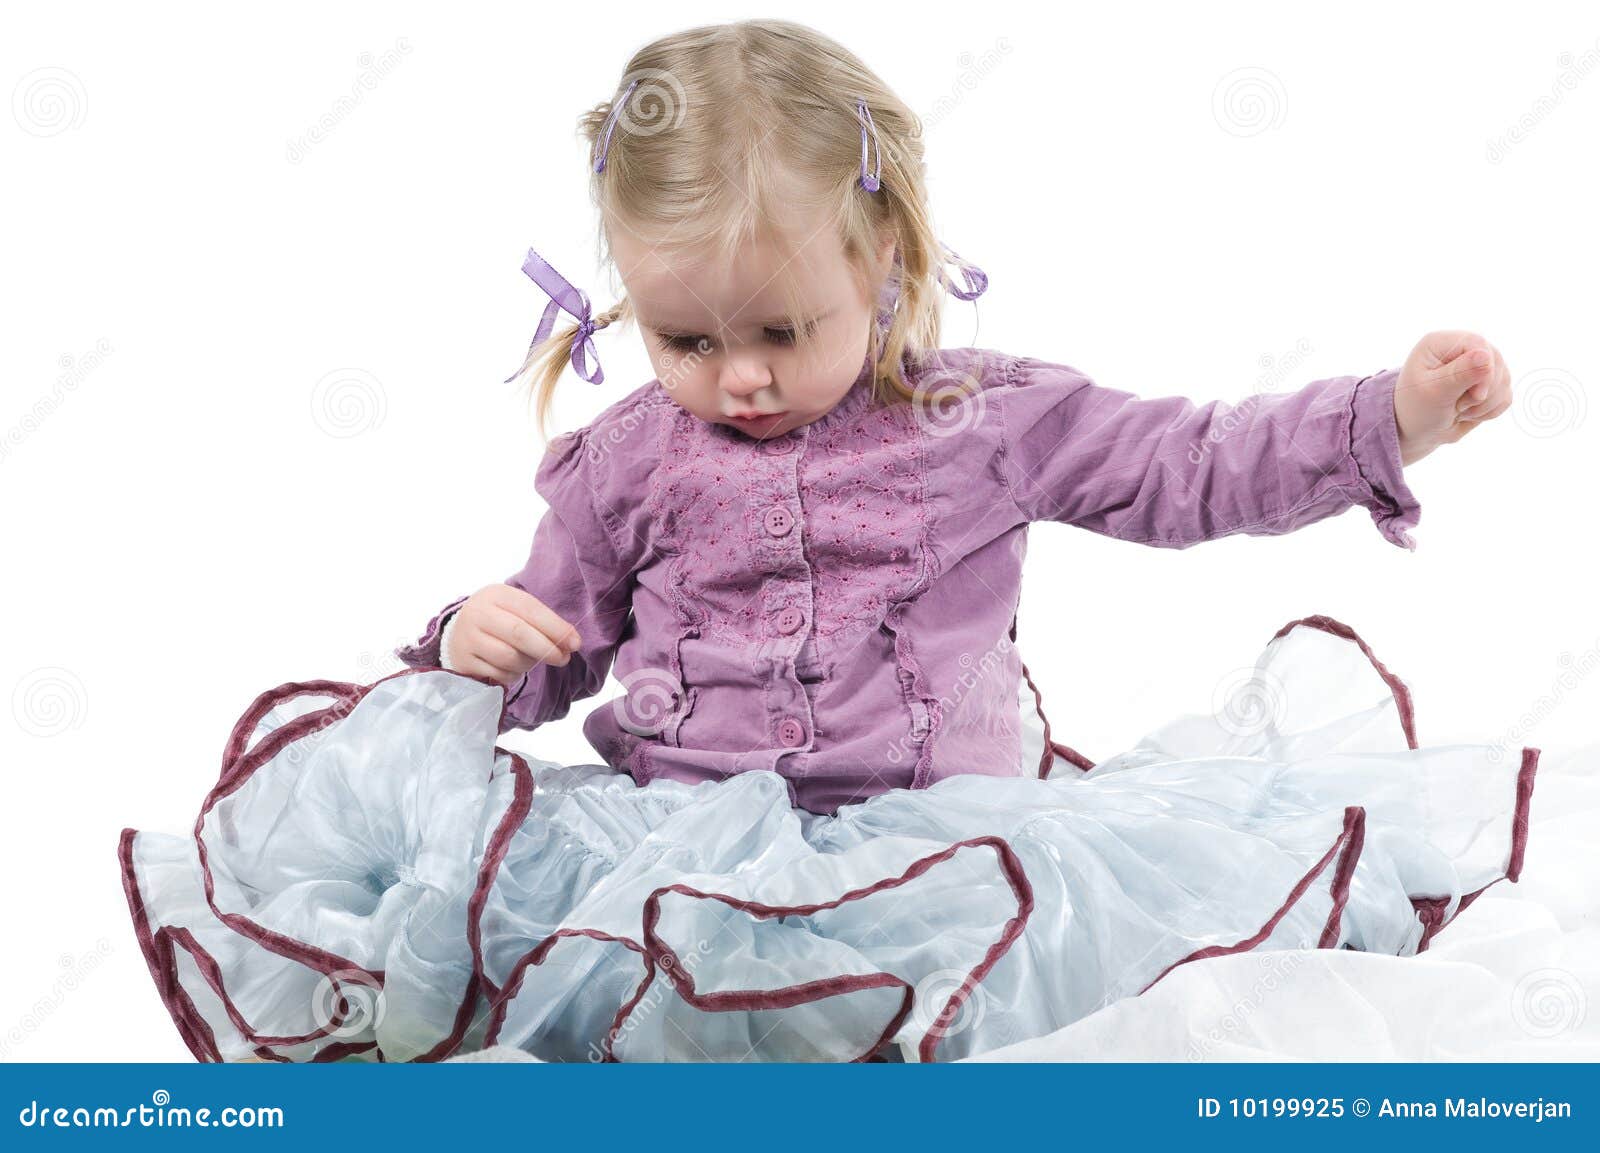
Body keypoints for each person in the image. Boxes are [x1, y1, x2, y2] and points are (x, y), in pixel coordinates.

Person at [119, 19, 1533, 1063]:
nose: (738, 377)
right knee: (653, 1004)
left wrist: (1388, 418)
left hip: (952, 844)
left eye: (781, 331)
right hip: (687, 852)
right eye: (686, 340)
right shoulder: (626, 464)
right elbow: (552, 644)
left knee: (997, 1009)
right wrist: (477, 642)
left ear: (885, 263)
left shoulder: (983, 420)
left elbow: (1189, 466)